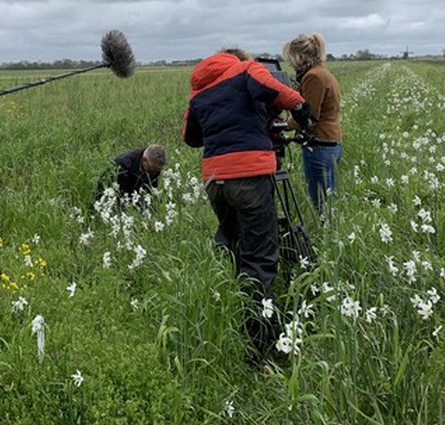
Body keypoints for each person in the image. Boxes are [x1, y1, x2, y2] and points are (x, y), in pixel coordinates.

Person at [182, 46, 315, 363]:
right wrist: (301, 108)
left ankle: (237, 313)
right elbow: (271, 88)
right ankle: (262, 348)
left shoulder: (198, 91)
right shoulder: (247, 69)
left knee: (238, 247)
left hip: (215, 180)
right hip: (250, 176)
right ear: (238, 58)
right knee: (259, 259)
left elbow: (191, 137)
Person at [282, 33, 343, 212]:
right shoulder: (323, 73)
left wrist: (283, 125)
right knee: (329, 200)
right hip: (331, 142)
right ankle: (331, 234)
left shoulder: (313, 77)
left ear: (300, 56)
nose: (291, 64)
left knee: (321, 204)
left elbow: (308, 117)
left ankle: (325, 236)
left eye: (291, 59)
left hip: (319, 144)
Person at [95, 144, 167, 206]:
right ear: (144, 160)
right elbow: (121, 195)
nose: (153, 174)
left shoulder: (154, 167)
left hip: (135, 197)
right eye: (151, 170)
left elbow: (152, 190)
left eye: (156, 171)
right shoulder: (123, 165)